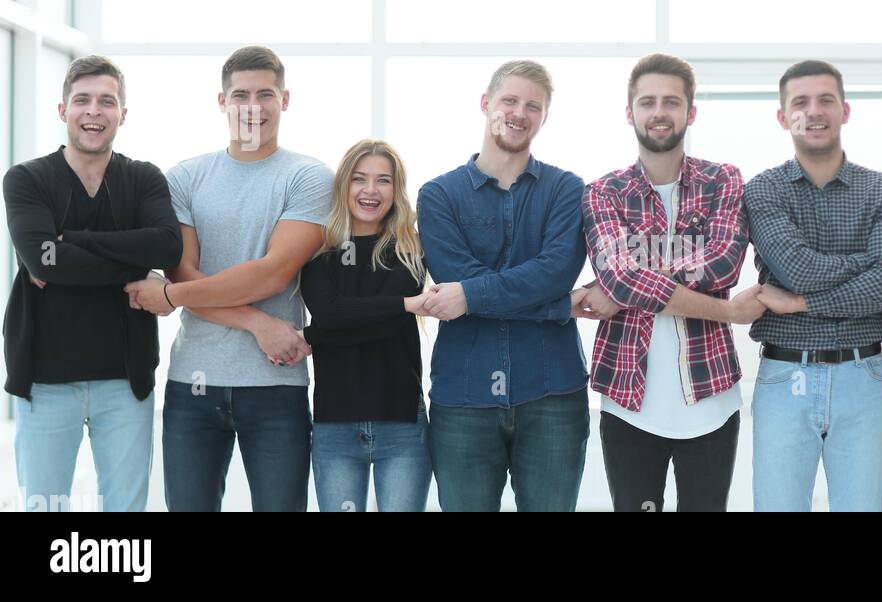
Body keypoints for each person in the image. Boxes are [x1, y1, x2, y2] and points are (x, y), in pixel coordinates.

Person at [129, 46, 333, 512]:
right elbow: (185, 271)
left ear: (285, 100)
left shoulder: (309, 177)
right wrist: (258, 324)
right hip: (191, 384)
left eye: (265, 94)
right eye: (240, 95)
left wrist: (170, 295)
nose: (253, 107)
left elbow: (272, 274)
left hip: (277, 385)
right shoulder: (183, 177)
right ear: (221, 102)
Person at [580, 54, 758, 512]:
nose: (660, 111)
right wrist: (625, 278)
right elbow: (616, 273)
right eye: (648, 101)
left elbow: (723, 265)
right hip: (627, 400)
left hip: (711, 396)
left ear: (690, 112)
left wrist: (631, 277)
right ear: (630, 112)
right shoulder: (604, 191)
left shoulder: (723, 180)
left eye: (672, 102)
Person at [4, 55, 181, 511]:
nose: (94, 111)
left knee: (125, 511)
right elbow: (46, 261)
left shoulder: (143, 179)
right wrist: (132, 265)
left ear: (122, 113)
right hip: (44, 381)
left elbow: (166, 248)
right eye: (82, 100)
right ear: (63, 111)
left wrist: (75, 243)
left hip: (124, 380)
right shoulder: (27, 179)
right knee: (44, 507)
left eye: (107, 101)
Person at [417, 60, 590, 512]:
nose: (519, 113)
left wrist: (471, 297)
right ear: (485, 104)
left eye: (533, 106)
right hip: (464, 398)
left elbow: (554, 273)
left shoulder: (567, 190)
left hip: (553, 395)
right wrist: (556, 307)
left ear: (544, 117)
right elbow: (456, 279)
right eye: (509, 100)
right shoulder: (438, 196)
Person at [744, 60, 882, 512]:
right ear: (783, 117)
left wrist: (798, 302)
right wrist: (869, 264)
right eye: (800, 103)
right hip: (785, 377)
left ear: (845, 110)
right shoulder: (762, 191)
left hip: (865, 376)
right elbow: (798, 267)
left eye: (826, 100)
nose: (814, 111)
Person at [301, 140, 434, 512]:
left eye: (383, 181)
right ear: (344, 185)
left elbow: (379, 326)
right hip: (334, 427)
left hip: (402, 424)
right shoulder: (318, 251)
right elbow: (331, 314)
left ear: (396, 189)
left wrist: (312, 335)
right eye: (359, 179)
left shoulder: (410, 249)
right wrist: (406, 304)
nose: (370, 191)